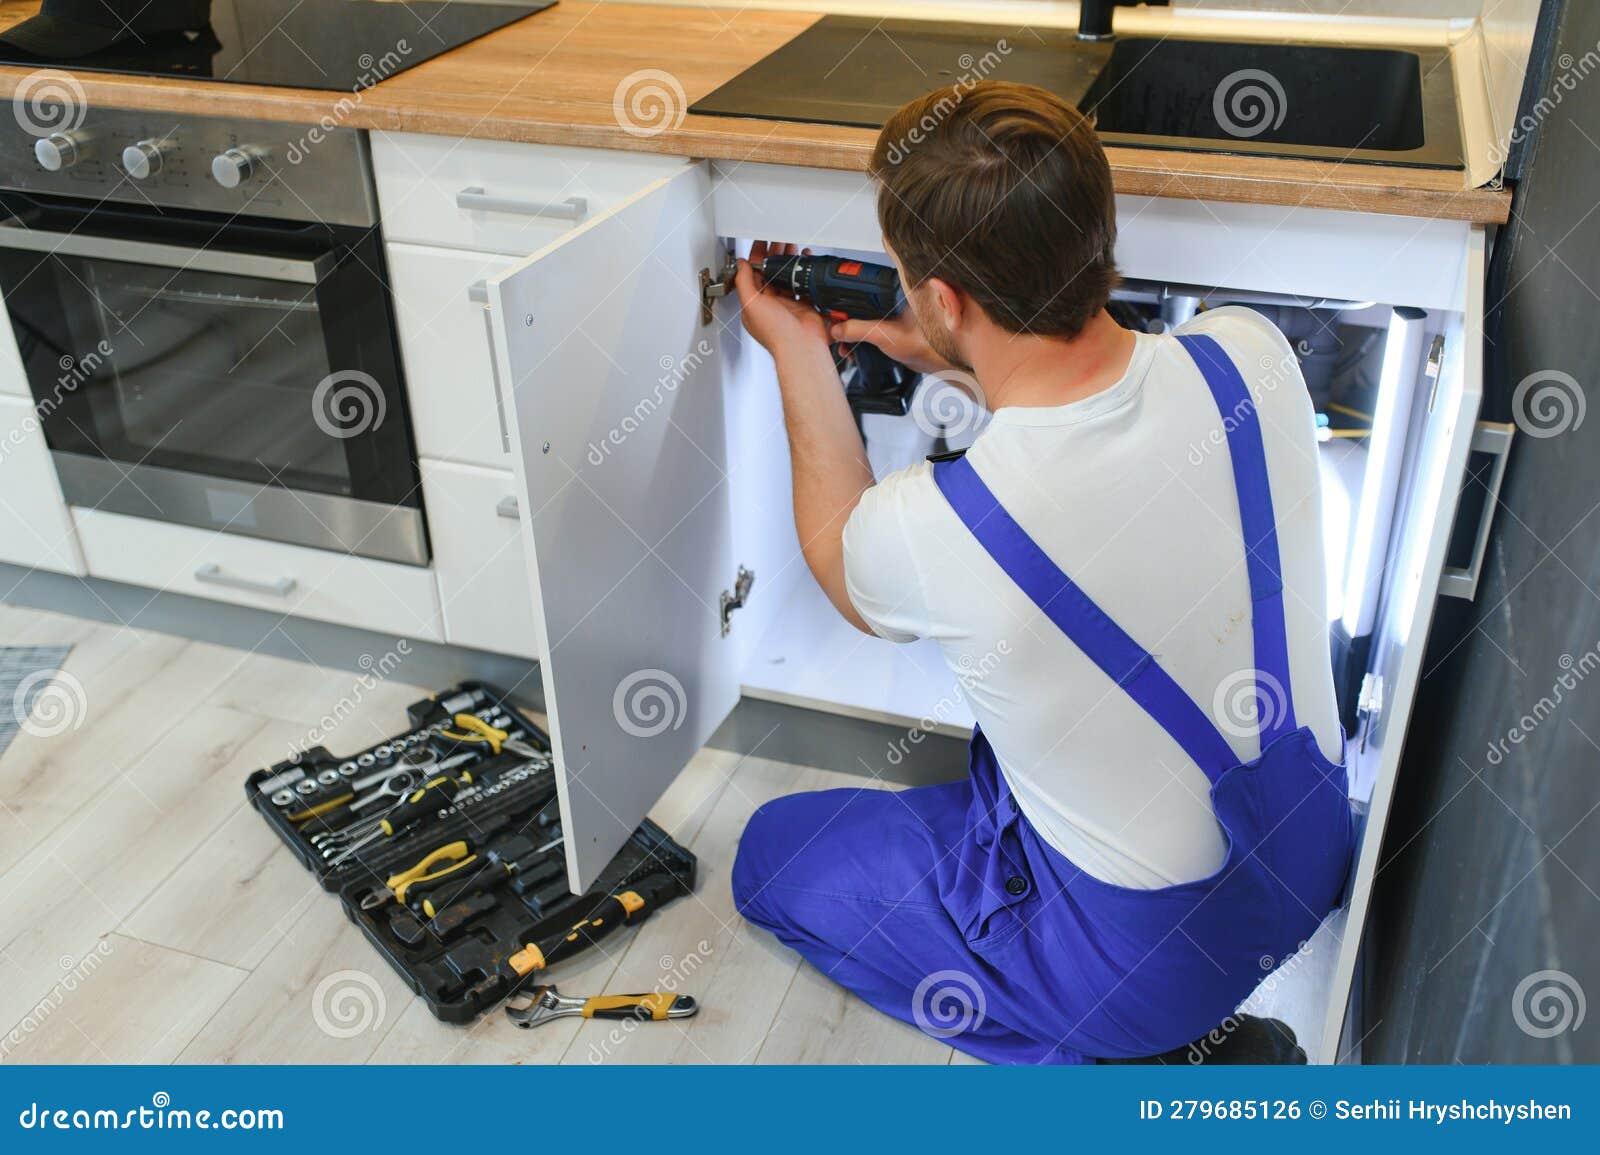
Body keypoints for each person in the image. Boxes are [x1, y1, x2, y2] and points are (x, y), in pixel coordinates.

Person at [729, 81, 1355, 1065]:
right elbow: (1083, 416)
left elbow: (838, 557)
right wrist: (954, 356)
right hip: (1305, 854)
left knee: (775, 860)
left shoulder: (935, 528)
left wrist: (793, 349)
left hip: (1142, 972)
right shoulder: (1248, 356)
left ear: (944, 298)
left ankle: (1147, 1075)